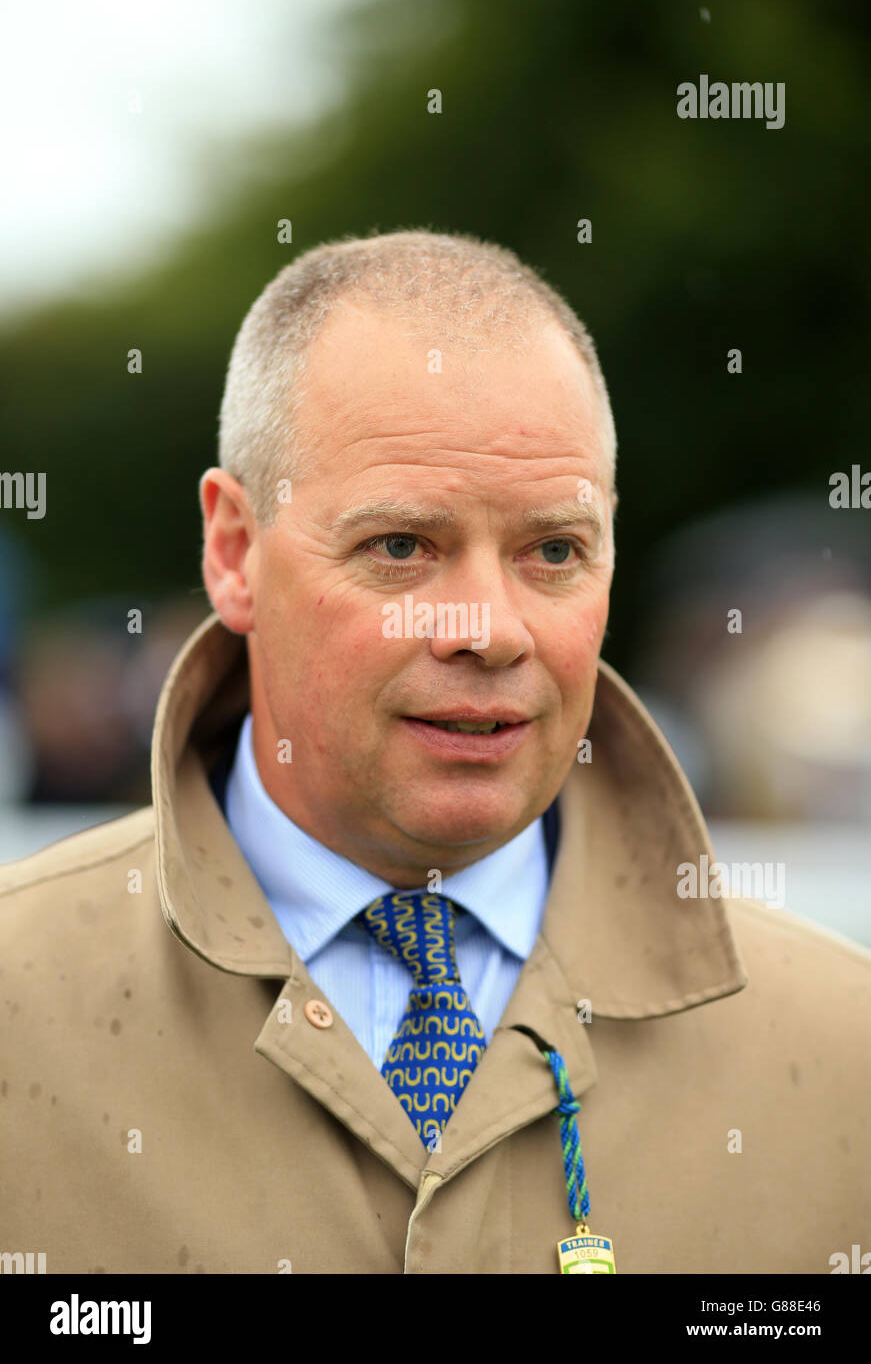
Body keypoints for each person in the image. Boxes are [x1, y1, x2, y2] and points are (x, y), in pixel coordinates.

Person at [1, 230, 868, 1275]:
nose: (488, 627)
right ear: (234, 552)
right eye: (402, 547)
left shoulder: (840, 1056)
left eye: (553, 549)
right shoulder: (21, 1010)